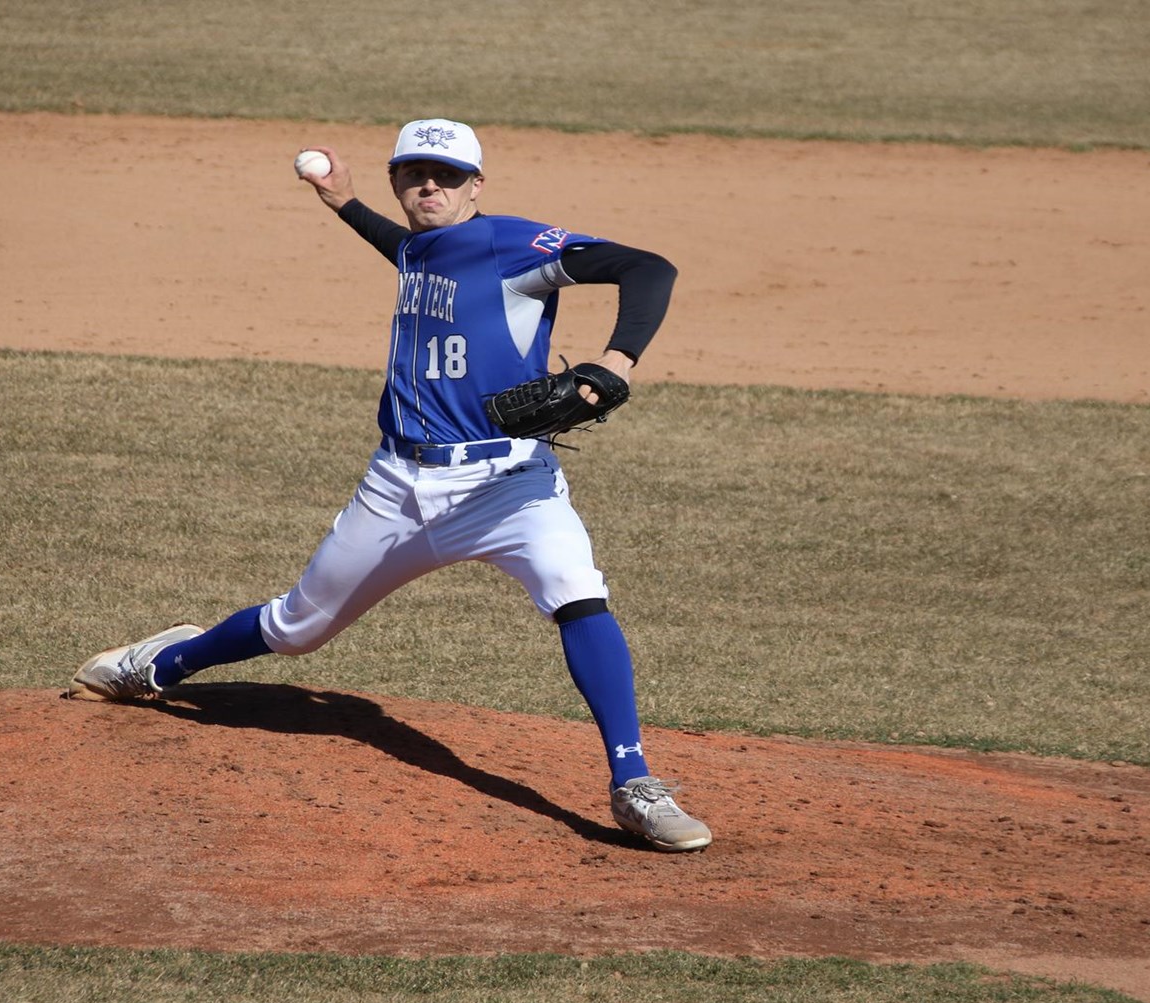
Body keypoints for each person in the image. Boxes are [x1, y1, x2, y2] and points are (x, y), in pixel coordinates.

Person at [67, 118, 711, 853]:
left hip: (509, 484)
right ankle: (156, 666)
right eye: (412, 173)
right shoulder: (421, 245)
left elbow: (650, 268)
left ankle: (635, 784)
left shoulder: (514, 245)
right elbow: (407, 251)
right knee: (296, 629)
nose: (428, 185)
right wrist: (343, 203)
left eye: (446, 175)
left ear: (477, 185)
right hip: (397, 486)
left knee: (577, 591)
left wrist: (618, 362)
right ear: (397, 179)